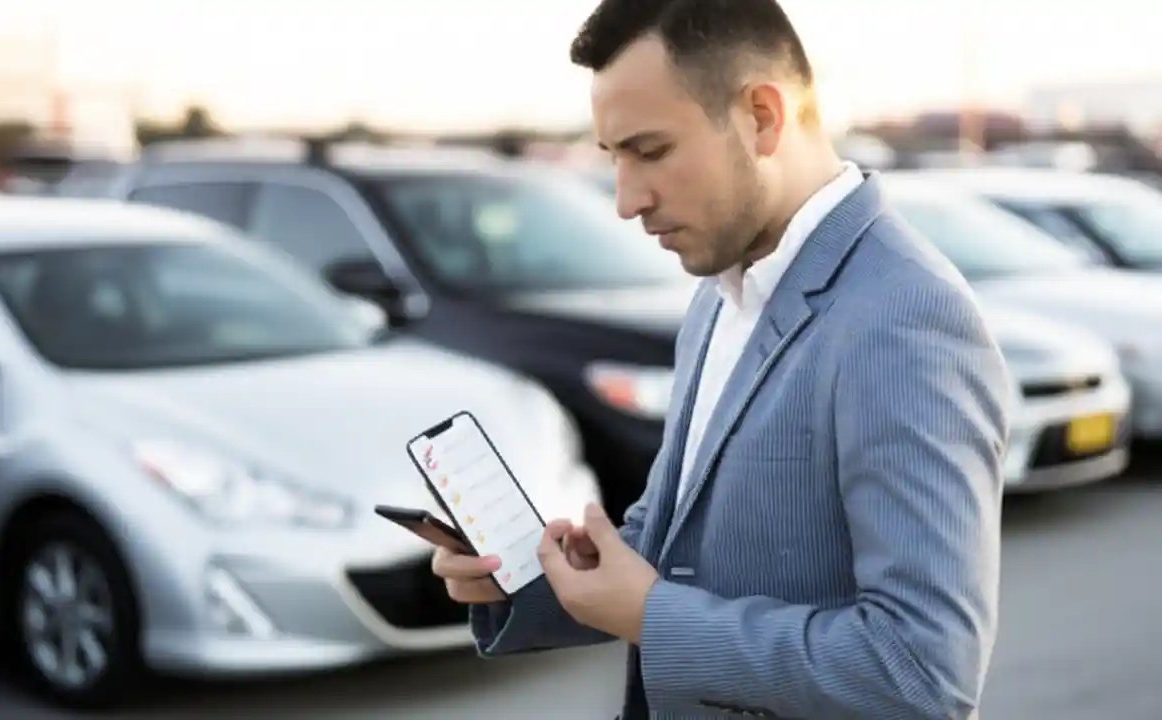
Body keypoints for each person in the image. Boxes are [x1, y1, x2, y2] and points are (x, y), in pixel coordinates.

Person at [431, 0, 1010, 717]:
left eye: (650, 151)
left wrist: (652, 616)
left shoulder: (905, 317)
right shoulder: (718, 296)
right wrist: (527, 577)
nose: (626, 200)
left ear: (763, 117)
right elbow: (670, 543)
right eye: (614, 159)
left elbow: (922, 674)